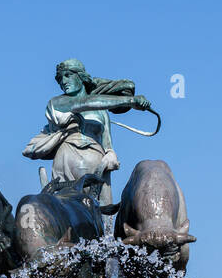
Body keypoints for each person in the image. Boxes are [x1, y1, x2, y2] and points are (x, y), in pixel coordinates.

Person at [22, 59, 152, 203]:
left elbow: (108, 144)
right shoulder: (58, 102)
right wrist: (130, 101)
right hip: (66, 161)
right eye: (60, 79)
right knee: (66, 209)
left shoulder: (102, 113)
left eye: (68, 75)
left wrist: (110, 156)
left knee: (102, 215)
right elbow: (86, 102)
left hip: (97, 167)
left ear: (81, 77)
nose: (63, 81)